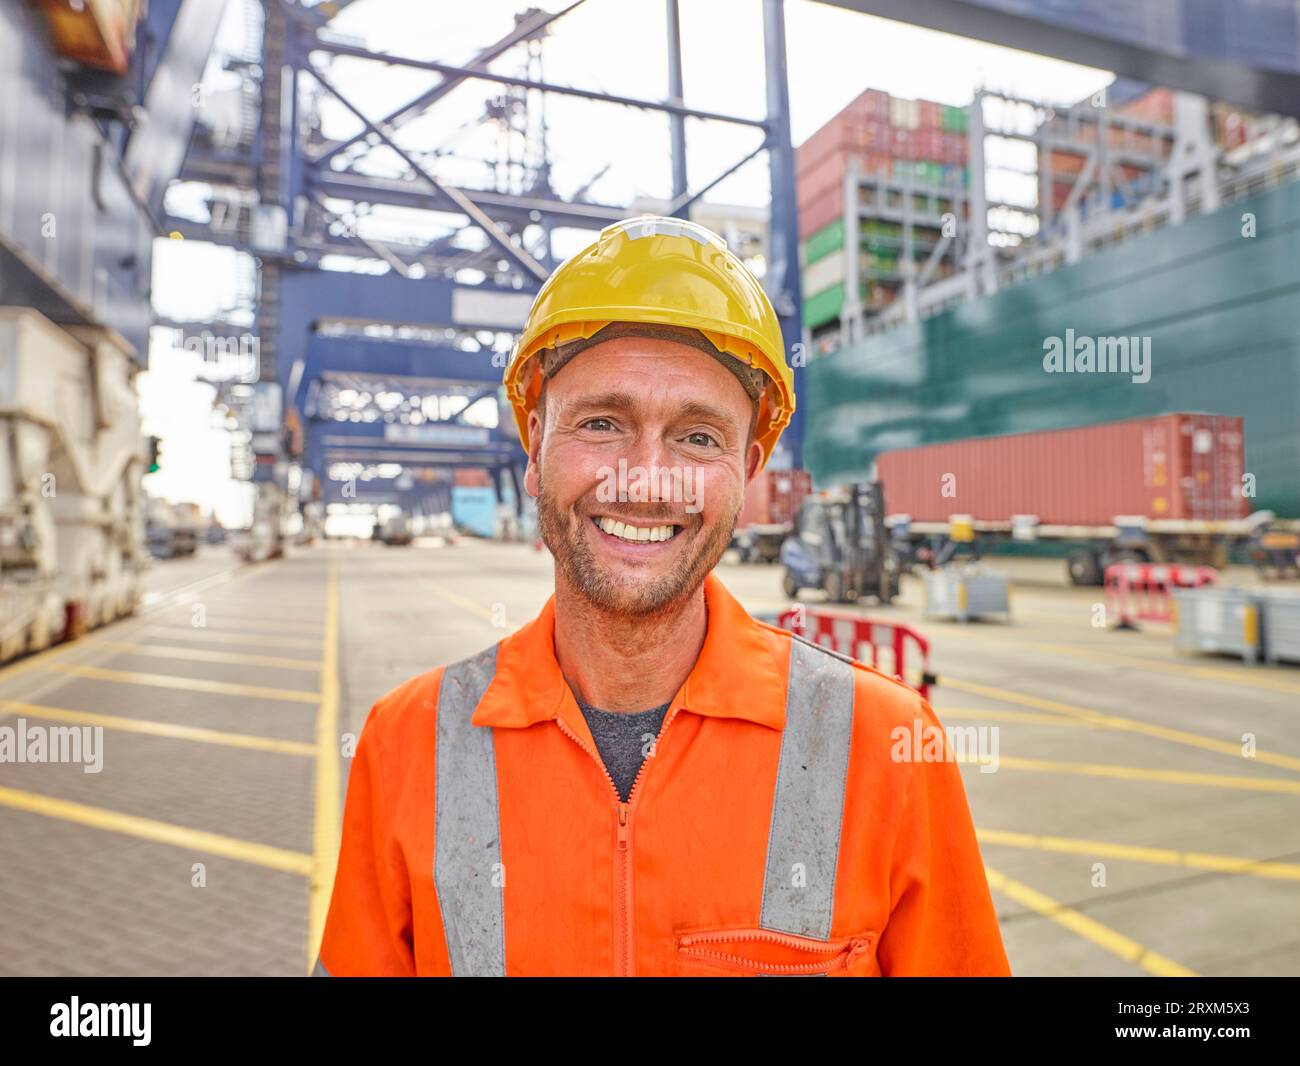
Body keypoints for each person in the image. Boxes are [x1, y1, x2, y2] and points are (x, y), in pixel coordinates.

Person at [314, 215, 1010, 977]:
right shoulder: (404, 746)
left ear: (747, 473)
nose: (646, 481)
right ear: (533, 450)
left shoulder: (886, 745)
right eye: (603, 423)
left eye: (697, 438)